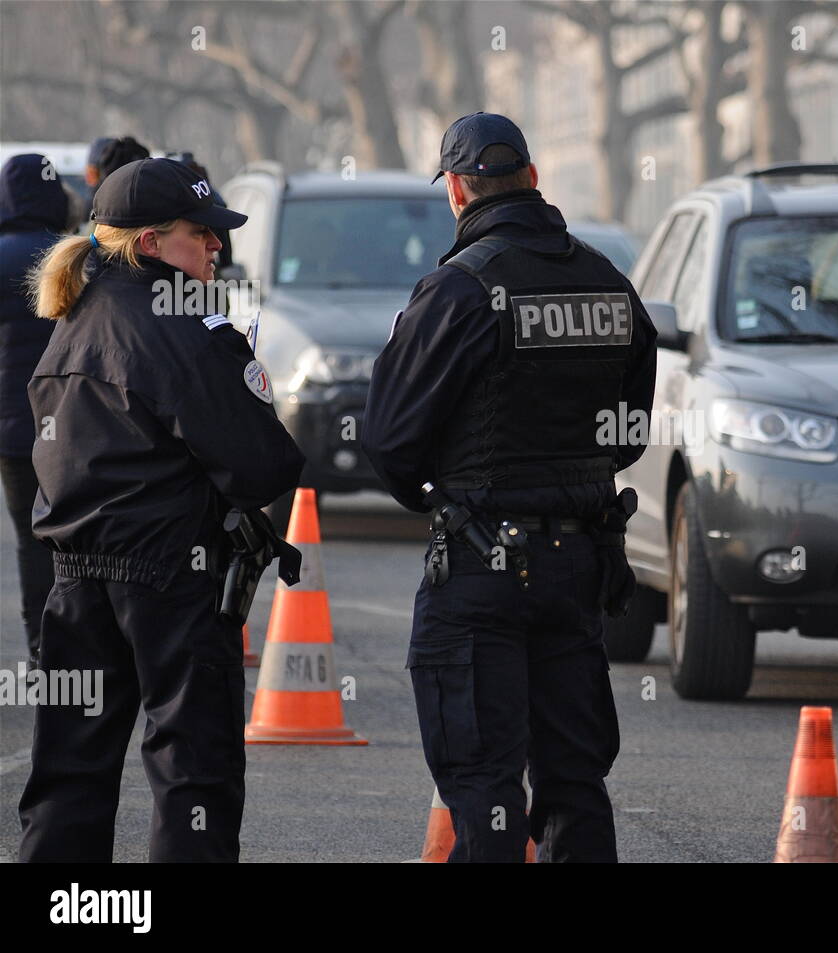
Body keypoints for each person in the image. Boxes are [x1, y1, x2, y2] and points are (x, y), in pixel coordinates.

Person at [361, 112, 657, 863]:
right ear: (532, 178)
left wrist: (454, 492)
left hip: (481, 567)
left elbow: (391, 443)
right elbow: (630, 431)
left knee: (487, 786)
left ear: (457, 190)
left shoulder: (458, 289)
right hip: (581, 563)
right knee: (575, 782)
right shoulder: (610, 283)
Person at [17, 157, 305, 863]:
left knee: (68, 776)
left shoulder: (73, 319)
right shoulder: (186, 327)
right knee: (192, 776)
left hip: (75, 579)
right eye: (201, 233)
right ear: (150, 243)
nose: (216, 246)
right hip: (171, 577)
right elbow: (264, 462)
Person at [0, 154, 67, 662]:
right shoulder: (75, 258)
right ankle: (72, 642)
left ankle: (41, 649)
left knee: (27, 537)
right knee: (71, 537)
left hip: (12, 430)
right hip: (71, 427)